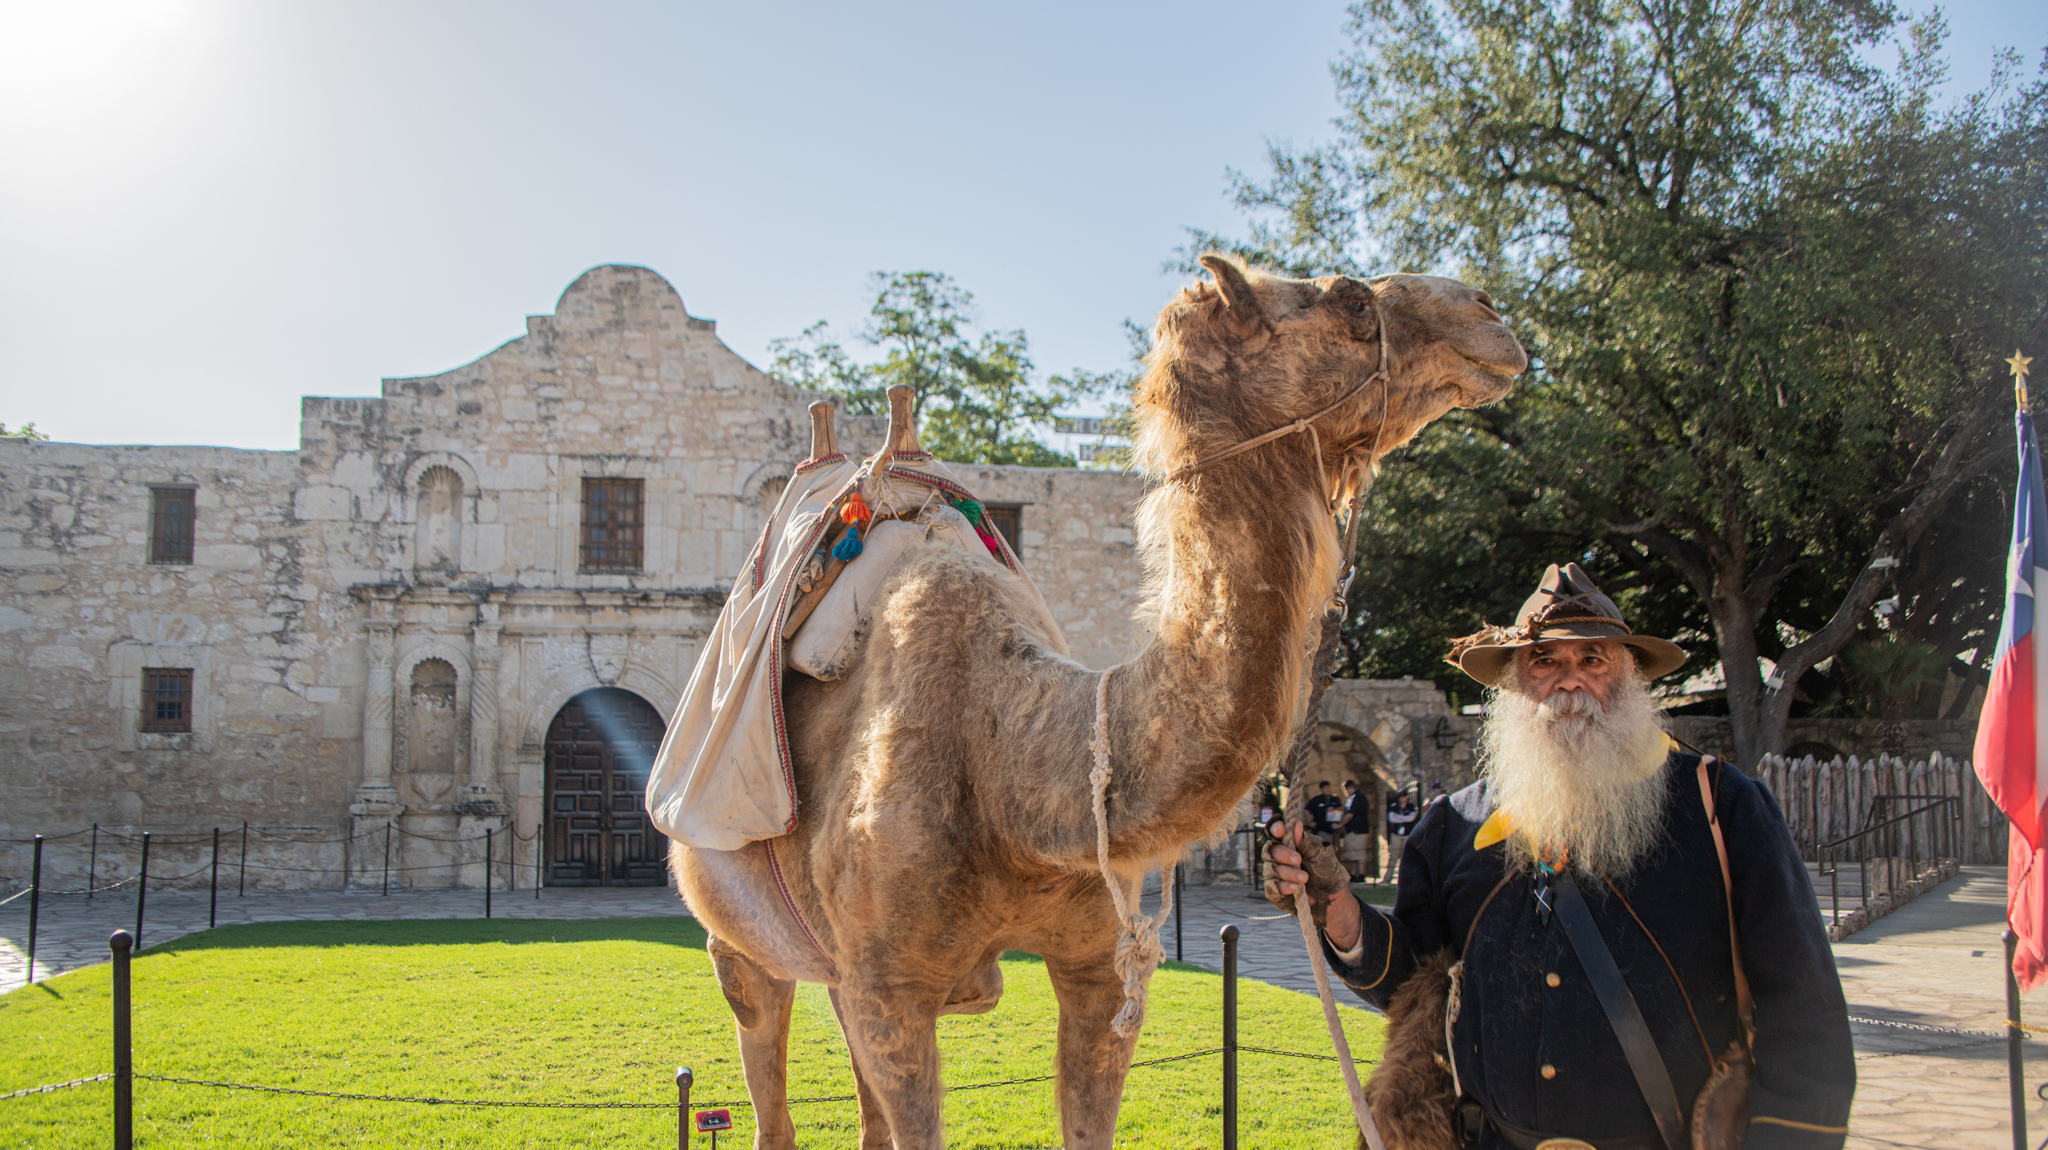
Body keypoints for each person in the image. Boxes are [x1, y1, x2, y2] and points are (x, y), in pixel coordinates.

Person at [1266, 562, 1853, 1149]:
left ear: (1628, 675)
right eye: (1545, 661)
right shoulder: (1453, 826)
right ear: (1516, 684)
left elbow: (1805, 1014)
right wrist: (1336, 907)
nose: (1569, 681)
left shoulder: (1724, 807)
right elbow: (1416, 983)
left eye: (1592, 659)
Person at [1384, 789, 1419, 881]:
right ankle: (1387, 879)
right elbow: (1391, 819)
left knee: (1406, 857)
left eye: (1403, 795)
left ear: (1407, 796)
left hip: (1407, 835)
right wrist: (1404, 818)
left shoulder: (1411, 806)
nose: (1401, 798)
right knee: (1393, 857)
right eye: (1400, 796)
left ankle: (1406, 879)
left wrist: (1398, 817)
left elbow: (1412, 818)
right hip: (1396, 834)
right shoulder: (1394, 806)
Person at [1340, 779, 1371, 880]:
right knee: (1353, 853)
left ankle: (1361, 875)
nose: (1345, 792)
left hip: (1358, 830)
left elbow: (1350, 814)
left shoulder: (1358, 798)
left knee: (1360, 852)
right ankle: (1354, 874)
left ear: (1350, 788)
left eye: (1345, 790)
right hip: (1352, 830)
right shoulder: (1352, 799)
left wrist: (1340, 824)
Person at [1305, 780, 1345, 846]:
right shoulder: (1316, 800)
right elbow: (1307, 810)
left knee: (1336, 849)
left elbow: (1342, 808)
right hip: (1322, 830)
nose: (1328, 790)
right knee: (1325, 849)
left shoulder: (1335, 799)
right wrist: (1310, 821)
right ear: (1322, 790)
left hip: (1335, 830)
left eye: (1329, 788)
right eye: (1325, 788)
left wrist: (1334, 809)